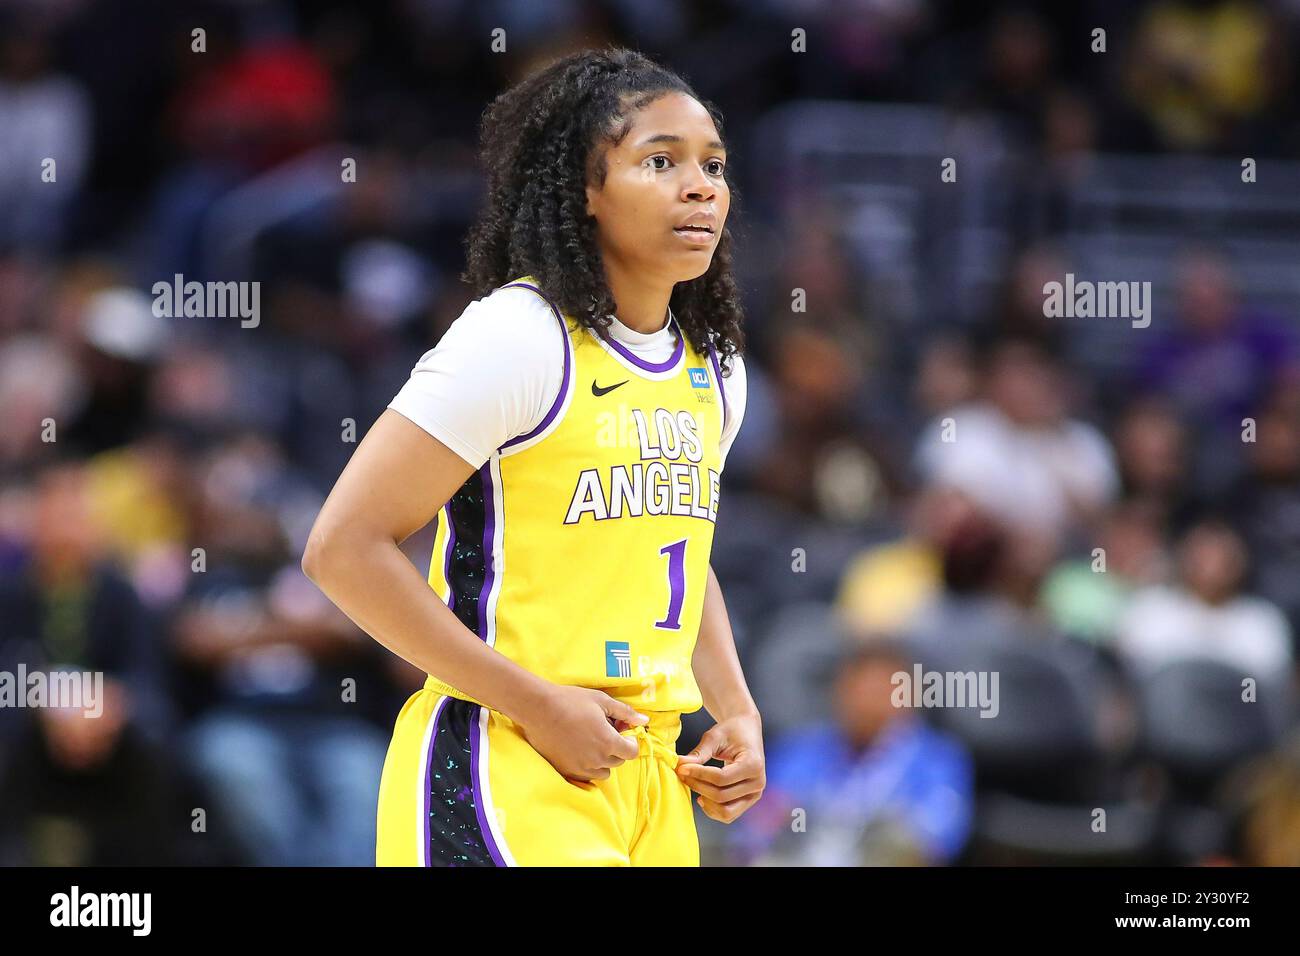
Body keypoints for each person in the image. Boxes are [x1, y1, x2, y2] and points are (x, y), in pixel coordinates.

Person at [303, 47, 764, 866]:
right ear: (585, 191)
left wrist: (737, 708)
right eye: (660, 162)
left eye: (713, 165)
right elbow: (343, 548)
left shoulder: (715, 367)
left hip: (648, 773)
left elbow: (677, 553)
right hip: (505, 756)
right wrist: (537, 704)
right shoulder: (519, 336)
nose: (700, 186)